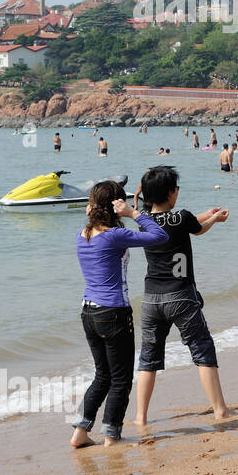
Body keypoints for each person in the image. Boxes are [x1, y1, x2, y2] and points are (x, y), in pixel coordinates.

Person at [71, 181, 168, 447]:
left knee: (102, 375)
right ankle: (111, 437)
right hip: (113, 313)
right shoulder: (113, 235)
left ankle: (80, 433)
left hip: (88, 312)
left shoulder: (83, 234)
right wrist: (133, 214)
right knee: (121, 379)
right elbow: (160, 236)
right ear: (116, 203)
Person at [135, 166, 234, 426]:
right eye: (176, 188)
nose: (178, 192)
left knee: (148, 358)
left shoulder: (143, 219)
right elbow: (197, 229)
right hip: (181, 297)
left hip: (151, 299)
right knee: (203, 350)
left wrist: (207, 214)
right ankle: (220, 410)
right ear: (170, 194)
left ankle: (140, 417)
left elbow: (189, 220)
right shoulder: (181, 218)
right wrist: (215, 219)